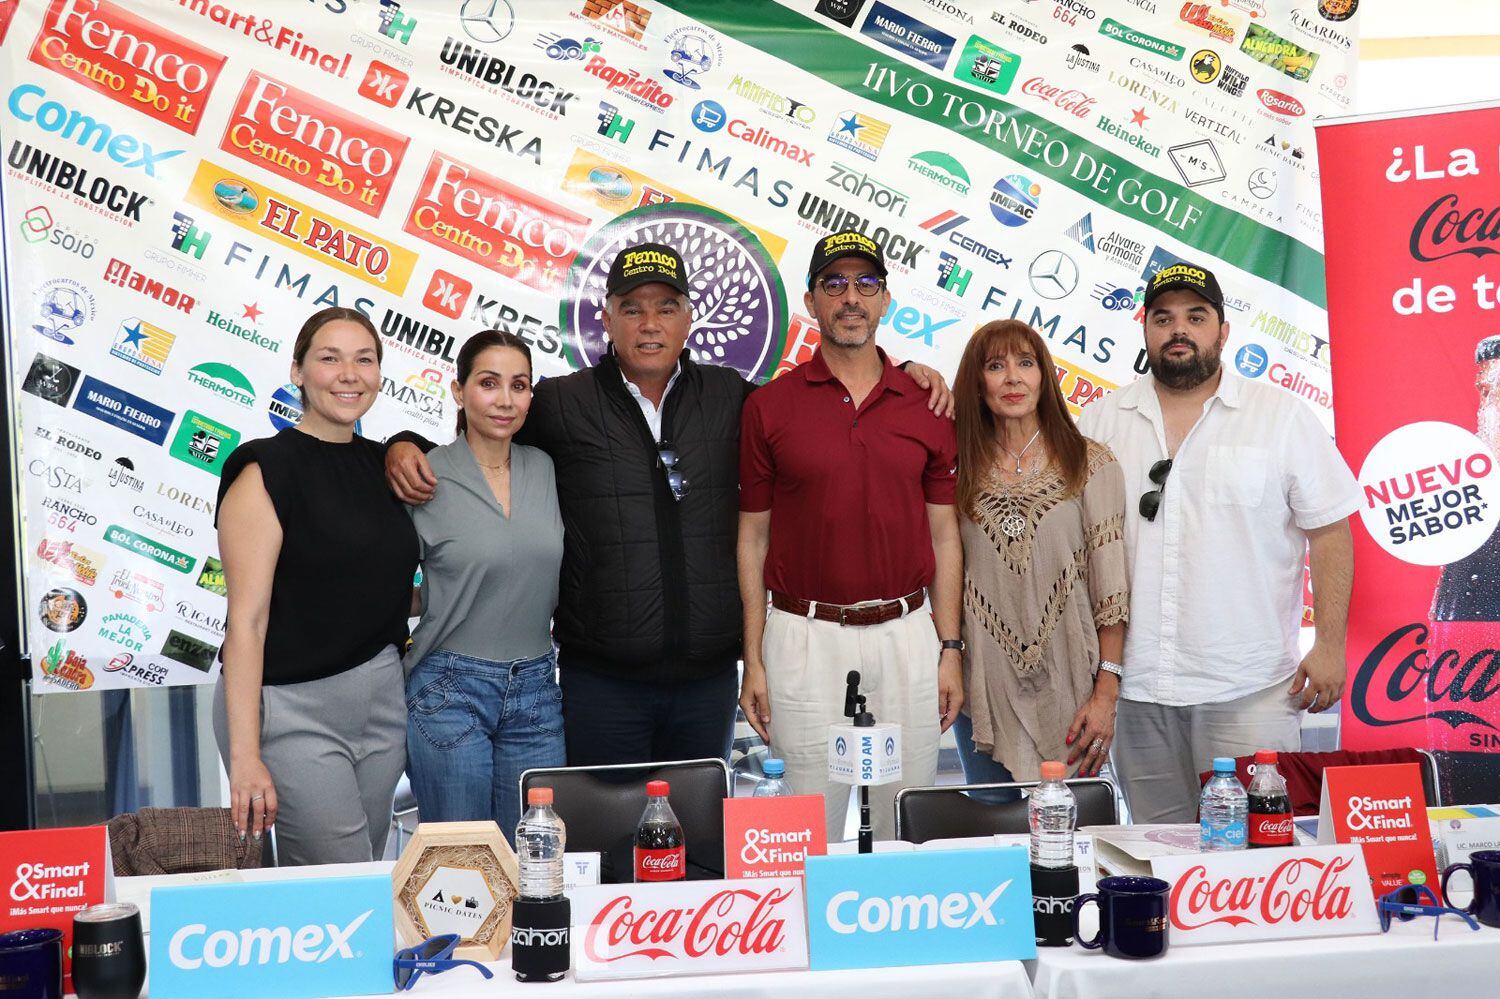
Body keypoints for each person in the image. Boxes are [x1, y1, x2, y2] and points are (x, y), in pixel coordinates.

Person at [385, 242, 952, 769]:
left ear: (688, 318)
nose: (649, 324)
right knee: (603, 853)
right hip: (601, 680)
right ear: (605, 318)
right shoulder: (561, 402)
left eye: (666, 307)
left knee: (698, 845)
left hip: (706, 681)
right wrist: (400, 443)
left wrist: (901, 373)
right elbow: (486, 424)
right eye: (631, 309)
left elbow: (821, 406)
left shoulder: (733, 396)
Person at [1077, 262, 1358, 824]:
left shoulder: (1278, 418)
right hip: (1137, 689)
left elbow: (1330, 532)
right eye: (1163, 318)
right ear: (1145, 330)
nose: (1179, 329)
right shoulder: (1100, 422)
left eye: (1196, 317)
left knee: (1260, 857)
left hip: (1249, 688)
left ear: (1223, 331)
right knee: (1160, 853)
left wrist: (1329, 645)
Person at [738, 230, 962, 842]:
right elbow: (752, 538)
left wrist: (950, 648)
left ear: (886, 299)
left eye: (866, 283)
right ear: (810, 302)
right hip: (803, 637)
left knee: (905, 827)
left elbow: (945, 535)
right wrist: (753, 659)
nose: (850, 297)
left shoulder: (926, 401)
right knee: (807, 833)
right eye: (833, 284)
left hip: (907, 635)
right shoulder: (769, 406)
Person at [215, 307, 418, 865]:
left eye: (364, 359)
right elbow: (247, 621)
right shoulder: (263, 469)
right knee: (340, 879)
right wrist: (245, 754)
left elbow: (376, 588)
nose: (348, 374)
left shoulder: (386, 467)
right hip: (290, 709)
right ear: (298, 371)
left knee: (364, 869)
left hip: (381, 703)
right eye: (329, 358)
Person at [952, 320, 1129, 801]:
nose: (1012, 378)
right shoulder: (954, 467)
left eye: (1025, 363)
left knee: (1069, 841)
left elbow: (1111, 592)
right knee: (991, 843)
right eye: (996, 366)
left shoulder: (1090, 462)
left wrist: (1105, 694)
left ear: (1045, 376)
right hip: (984, 688)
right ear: (976, 381)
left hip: (1073, 691)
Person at [404, 331, 565, 842]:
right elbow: (383, 581)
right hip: (448, 690)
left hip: (538, 689)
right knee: (460, 865)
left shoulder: (546, 468)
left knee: (534, 864)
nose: (504, 399)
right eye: (488, 383)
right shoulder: (423, 475)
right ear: (458, 390)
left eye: (518, 385)